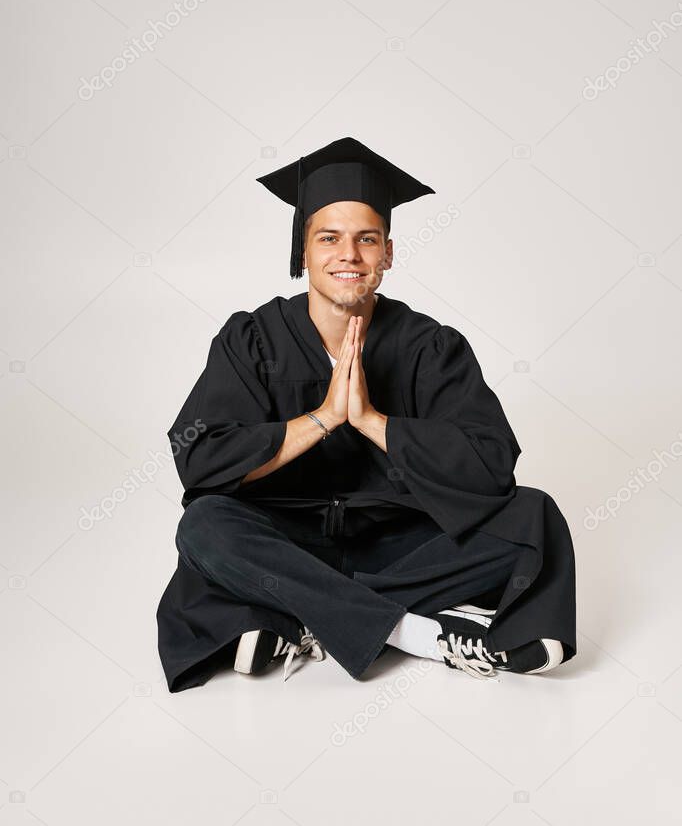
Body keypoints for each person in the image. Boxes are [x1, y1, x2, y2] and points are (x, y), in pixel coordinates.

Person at [156, 137, 576, 691]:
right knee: (206, 525)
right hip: (287, 539)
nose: (348, 255)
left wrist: (373, 421)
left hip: (397, 543)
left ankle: (293, 613)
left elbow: (493, 465)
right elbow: (200, 459)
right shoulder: (252, 339)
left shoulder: (430, 346)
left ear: (389, 253)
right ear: (303, 252)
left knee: (533, 516)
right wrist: (324, 418)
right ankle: (417, 633)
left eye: (367, 239)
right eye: (328, 238)